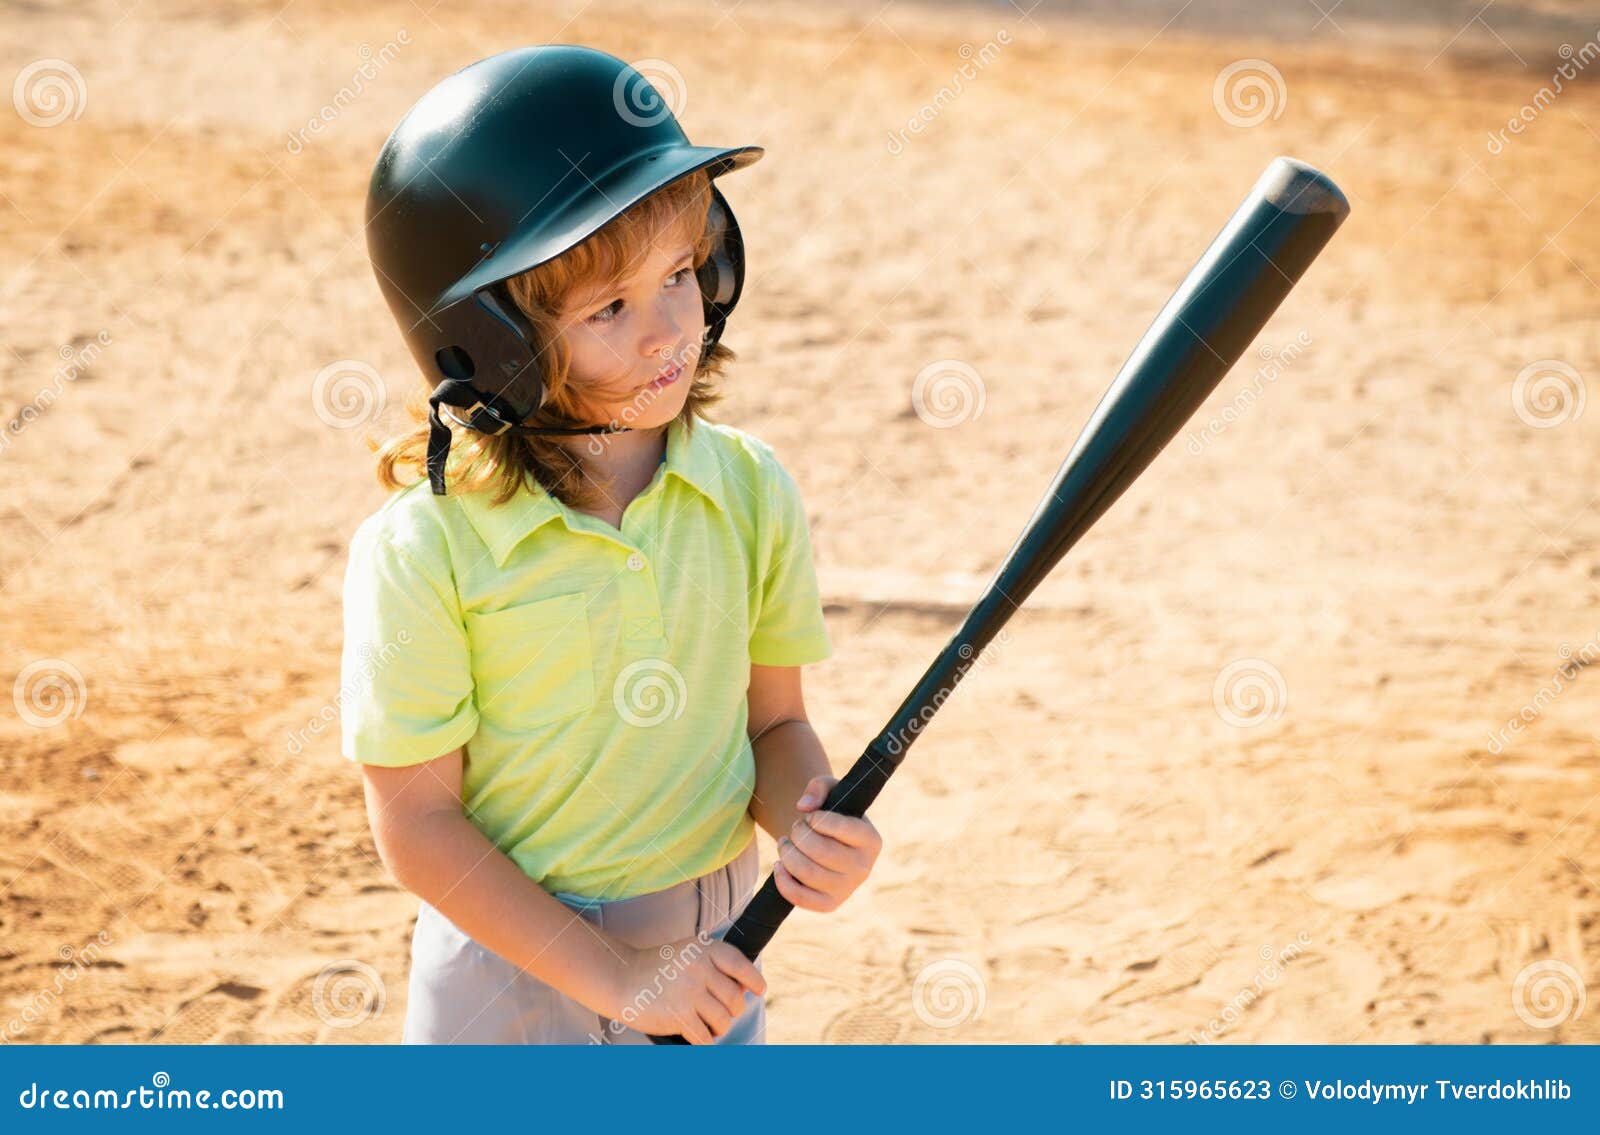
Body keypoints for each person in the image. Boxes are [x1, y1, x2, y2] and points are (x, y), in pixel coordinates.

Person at [340, 44, 882, 1045]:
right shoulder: (429, 548)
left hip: (713, 959)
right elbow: (417, 828)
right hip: (507, 982)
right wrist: (617, 975)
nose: (667, 329)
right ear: (489, 340)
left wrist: (803, 818)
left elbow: (773, 729)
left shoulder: (749, 489)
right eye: (608, 308)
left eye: (681, 272)